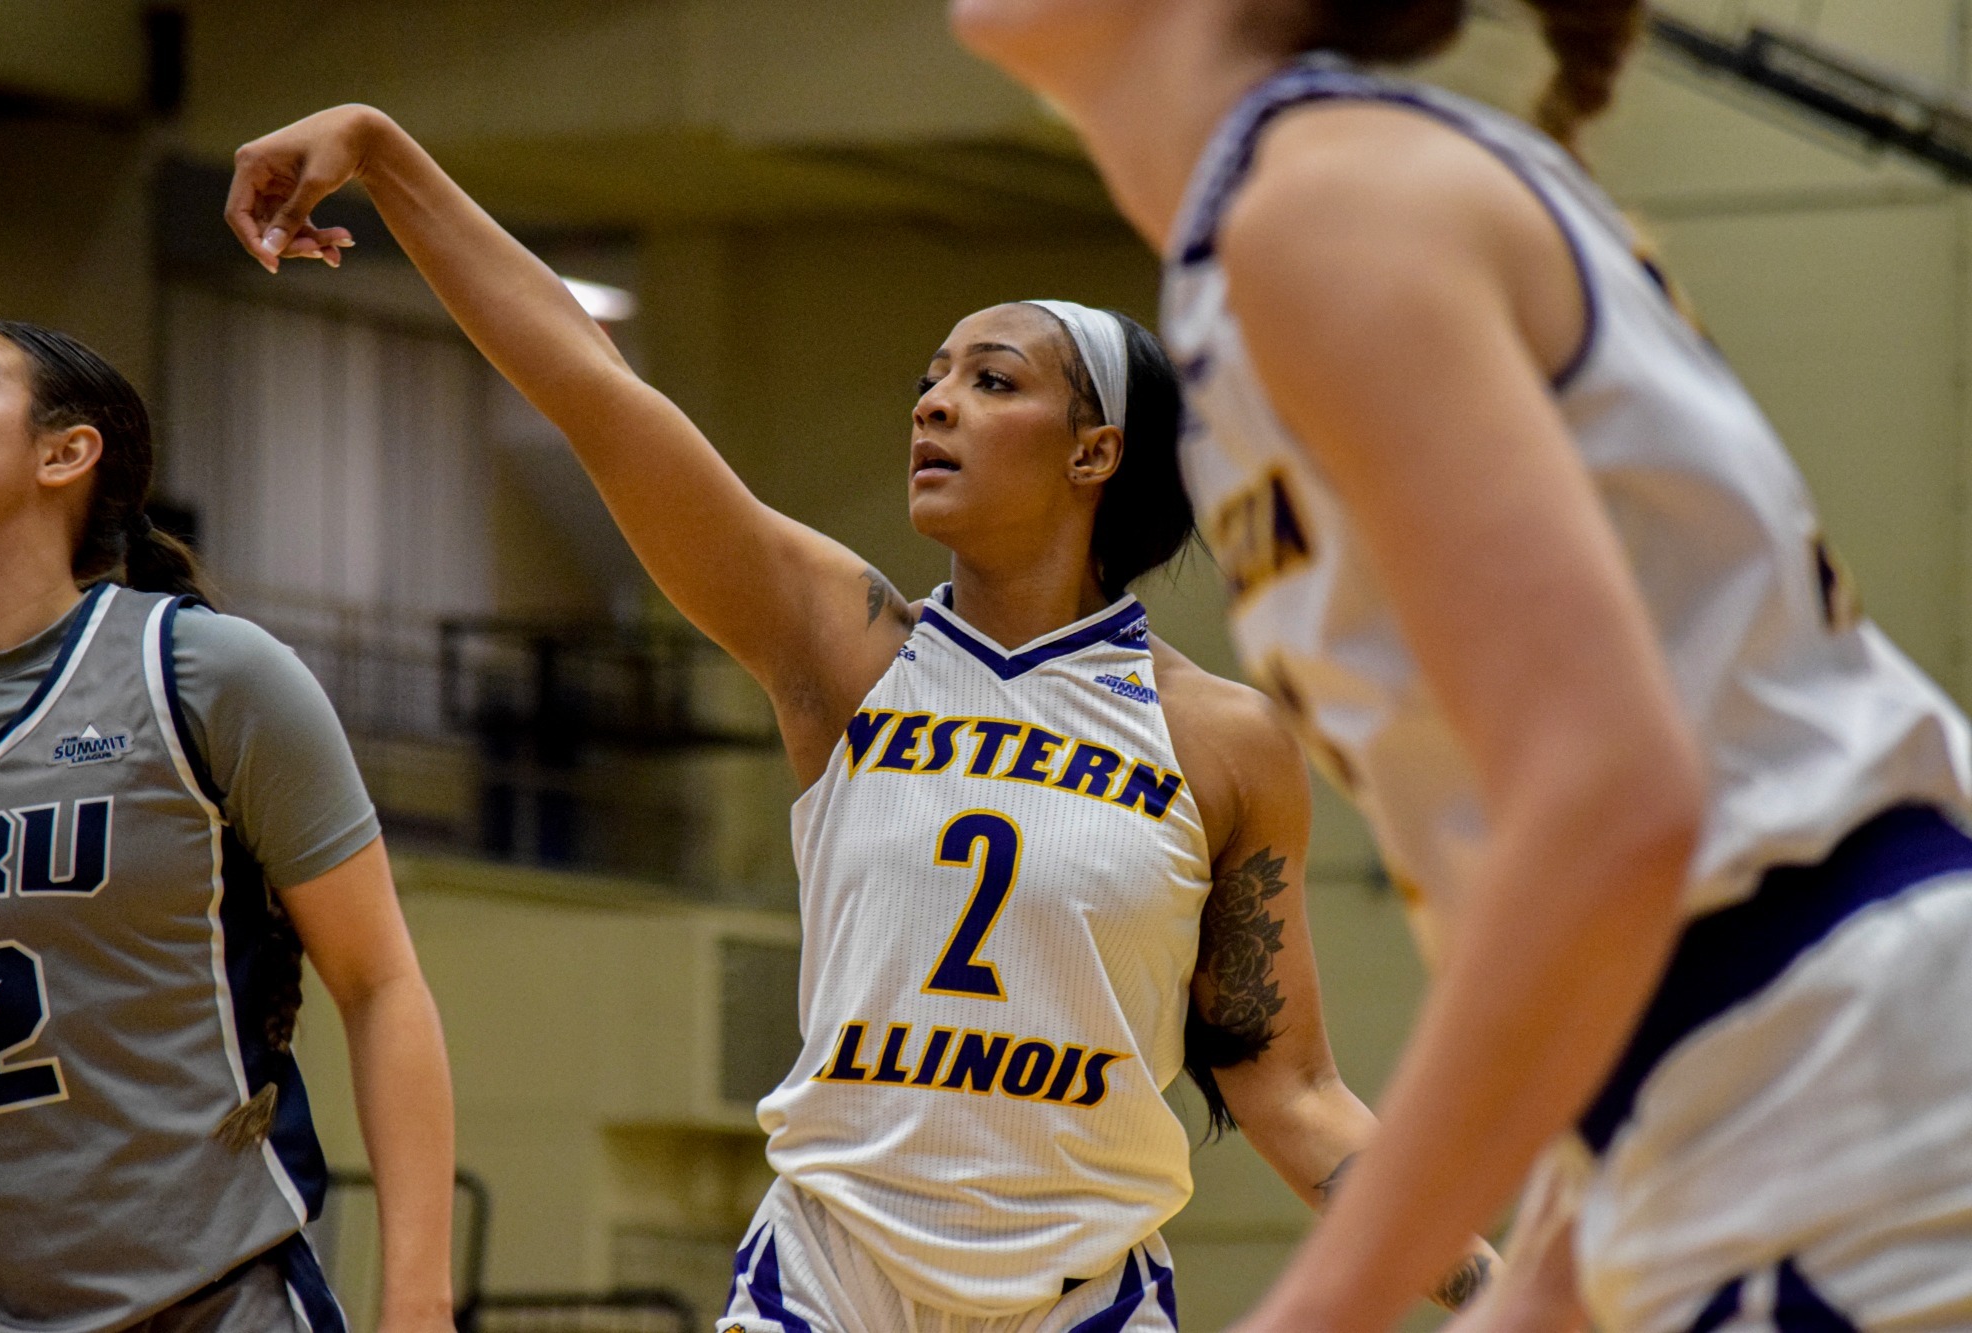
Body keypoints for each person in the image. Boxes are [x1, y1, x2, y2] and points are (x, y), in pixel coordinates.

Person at [224, 105, 1497, 1331]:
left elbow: (1293, 1087)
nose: (932, 402)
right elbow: (596, 394)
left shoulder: (1223, 741)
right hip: (828, 1271)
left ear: (1093, 453)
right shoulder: (842, 643)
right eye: (928, 377)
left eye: (988, 381)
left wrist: (1502, 1287)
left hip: (1084, 1291)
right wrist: (388, 160)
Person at [951, 0, 1972, 1329]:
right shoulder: (1308, 214)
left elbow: (1616, 807)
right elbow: (1621, 923)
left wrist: (1319, 1304)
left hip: (1847, 1082)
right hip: (1764, 1080)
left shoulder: (1325, 208)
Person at [0, 320, 457, 1333]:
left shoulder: (202, 673)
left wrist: (417, 1303)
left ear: (66, 453)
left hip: (204, 1298)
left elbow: (378, 983)